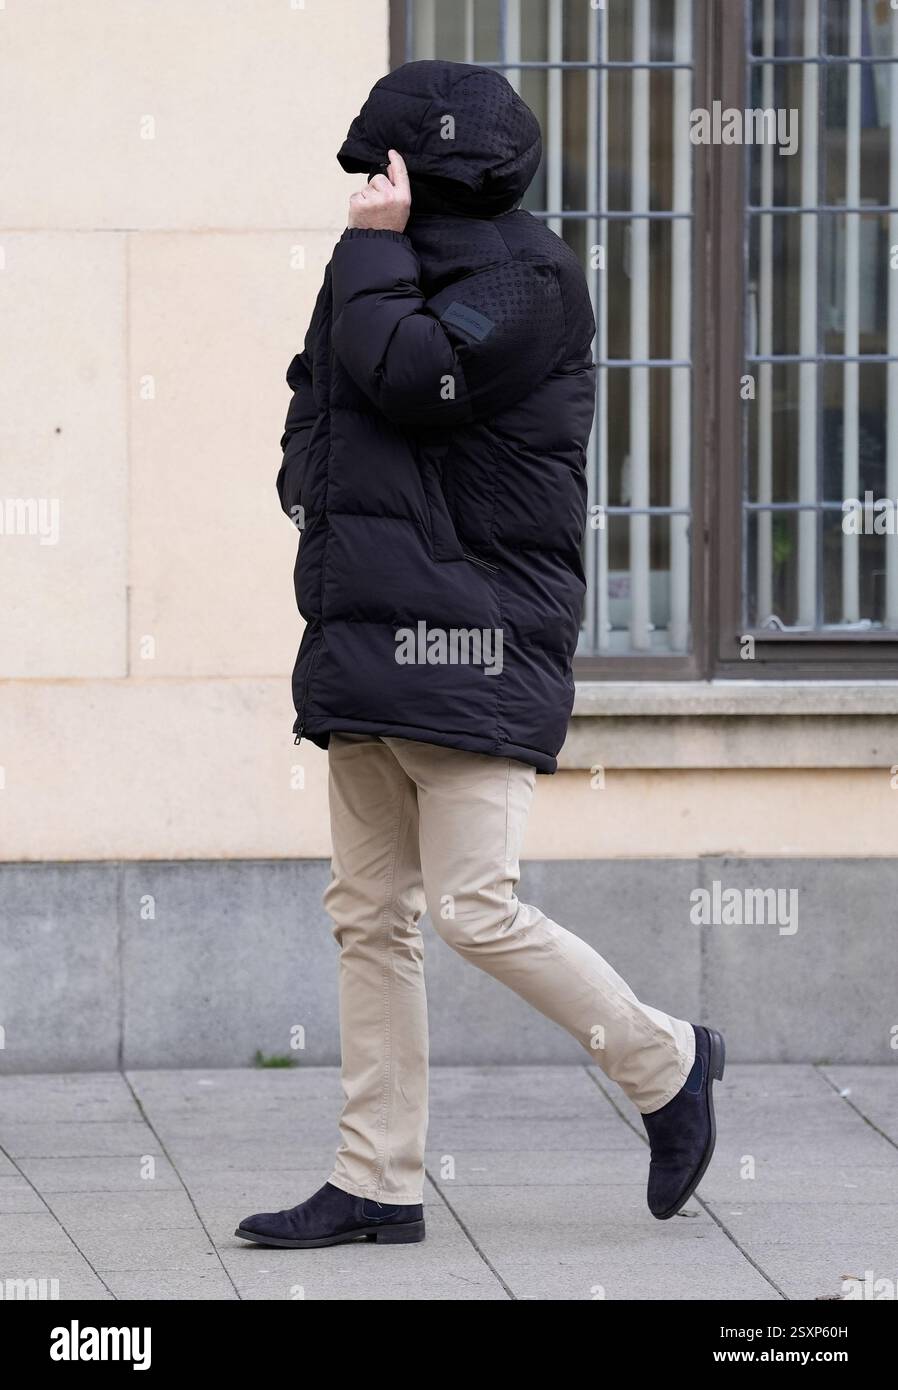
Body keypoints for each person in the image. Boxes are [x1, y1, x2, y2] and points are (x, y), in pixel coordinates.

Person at [236, 60, 724, 1251]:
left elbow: (414, 377)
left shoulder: (527, 275)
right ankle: (378, 1178)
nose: (364, 187)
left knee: (472, 907)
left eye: (380, 167)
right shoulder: (379, 263)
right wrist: (307, 484)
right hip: (362, 631)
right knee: (368, 915)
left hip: (473, 637)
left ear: (423, 169)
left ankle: (665, 1064)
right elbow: (323, 395)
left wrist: (374, 249)